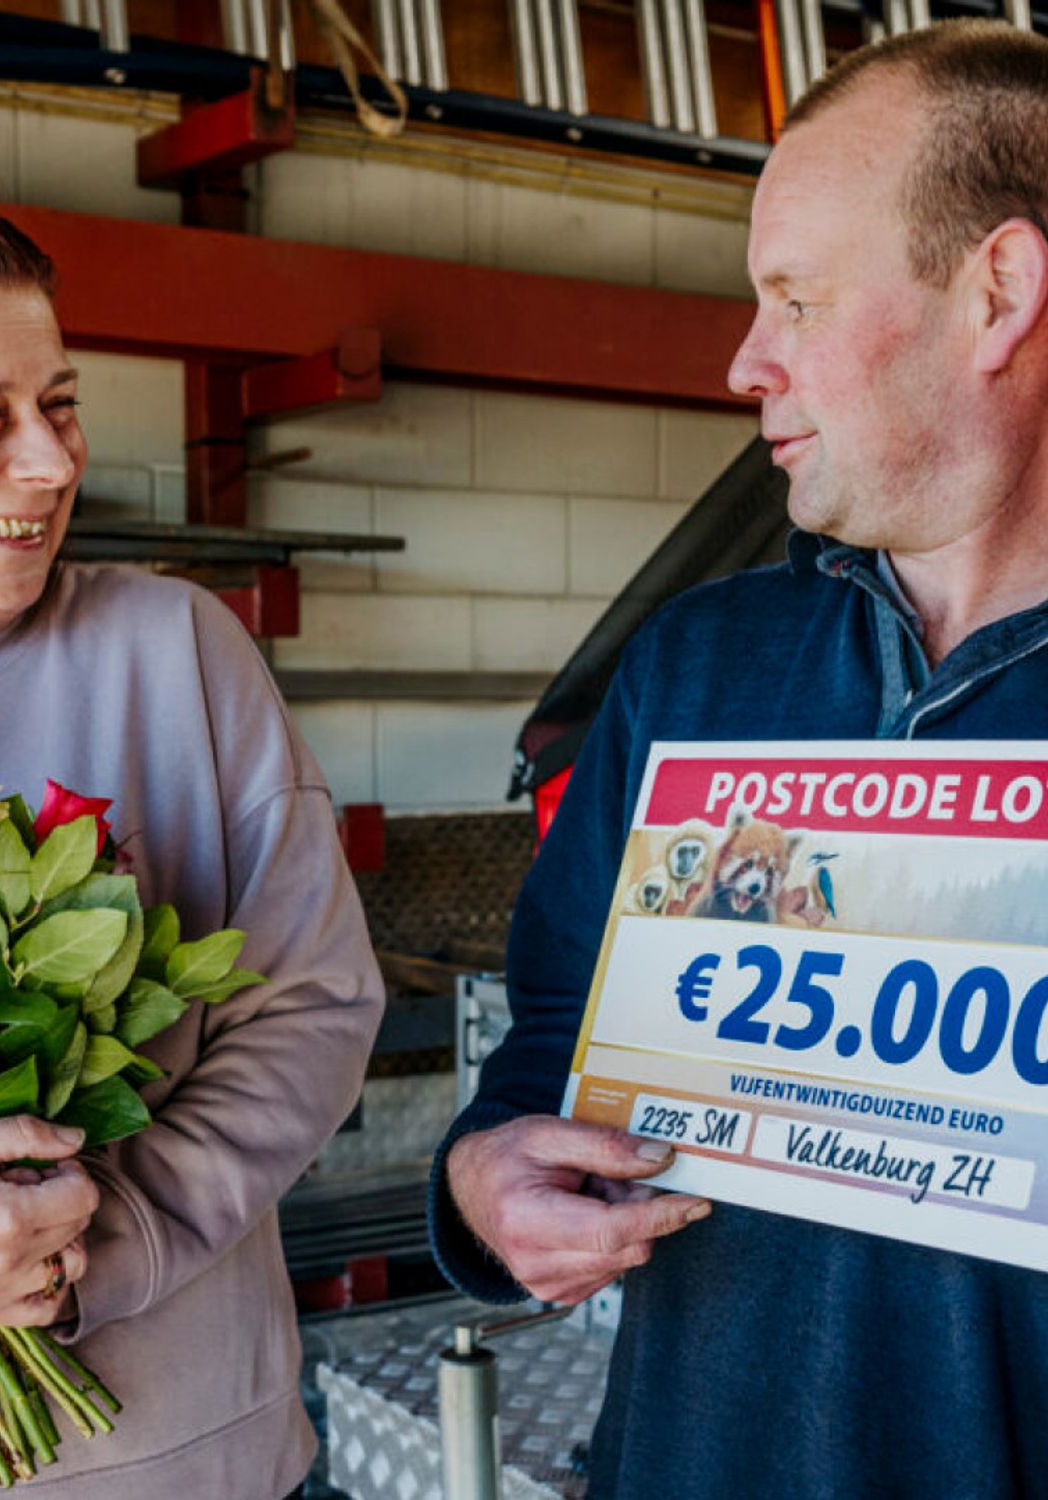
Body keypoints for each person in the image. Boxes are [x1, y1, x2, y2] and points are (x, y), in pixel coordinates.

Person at [430, 19, 1048, 1499]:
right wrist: (486, 1177)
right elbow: (557, 1032)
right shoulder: (698, 667)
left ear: (1002, 292)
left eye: (797, 299)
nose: (744, 361)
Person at [0, 186, 384, 1498]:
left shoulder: (173, 649)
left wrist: (92, 1245)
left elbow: (312, 1006)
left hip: (191, 1460)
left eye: (61, 403)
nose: (50, 460)